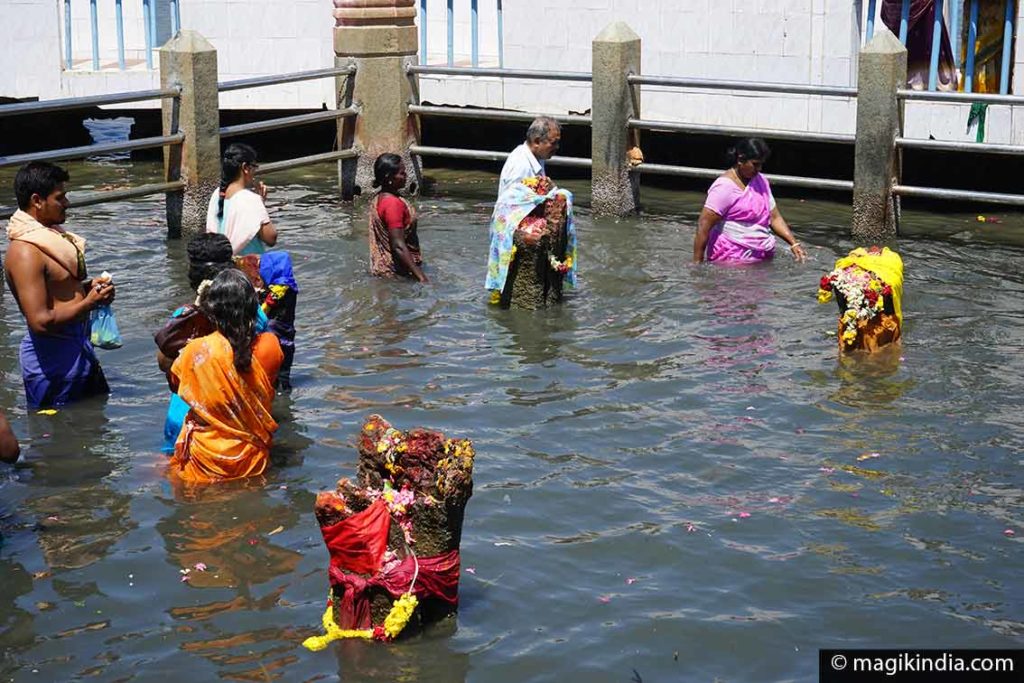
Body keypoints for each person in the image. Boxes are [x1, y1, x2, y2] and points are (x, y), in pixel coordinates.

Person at [4, 162, 115, 408]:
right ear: (37, 201)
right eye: (60, 197)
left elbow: (59, 293)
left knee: (94, 432)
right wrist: (88, 304)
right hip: (52, 367)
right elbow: (40, 321)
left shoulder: (49, 237)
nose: (67, 203)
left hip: (78, 354)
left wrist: (89, 290)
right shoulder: (25, 252)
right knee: (57, 442)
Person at [155, 233, 271, 454]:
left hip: (186, 419)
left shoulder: (185, 317)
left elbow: (165, 365)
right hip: (238, 424)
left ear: (193, 274)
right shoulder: (255, 317)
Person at [168, 269, 283, 484]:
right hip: (252, 458)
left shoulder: (198, 350)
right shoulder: (270, 346)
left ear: (211, 311)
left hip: (205, 458)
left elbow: (176, 385)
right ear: (253, 308)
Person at [693, 138, 807, 265]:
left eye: (761, 164)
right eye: (755, 164)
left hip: (762, 255)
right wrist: (697, 264)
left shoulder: (761, 181)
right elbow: (704, 226)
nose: (759, 169)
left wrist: (793, 243)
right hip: (730, 257)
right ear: (740, 160)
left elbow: (774, 217)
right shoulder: (724, 187)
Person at [206, 143, 278, 256]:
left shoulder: (217, 193)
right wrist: (261, 205)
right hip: (246, 267)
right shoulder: (251, 199)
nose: (255, 172)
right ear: (245, 167)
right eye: (254, 166)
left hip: (221, 262)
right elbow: (271, 239)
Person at [368, 154, 427, 283]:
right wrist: (422, 278)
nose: (406, 176)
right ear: (389, 177)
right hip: (399, 274)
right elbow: (398, 245)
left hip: (384, 271)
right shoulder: (392, 204)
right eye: (402, 173)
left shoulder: (380, 198)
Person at [497, 117, 562, 199]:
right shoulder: (520, 165)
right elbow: (512, 204)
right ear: (537, 142)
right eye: (553, 143)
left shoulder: (538, 156)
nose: (557, 147)